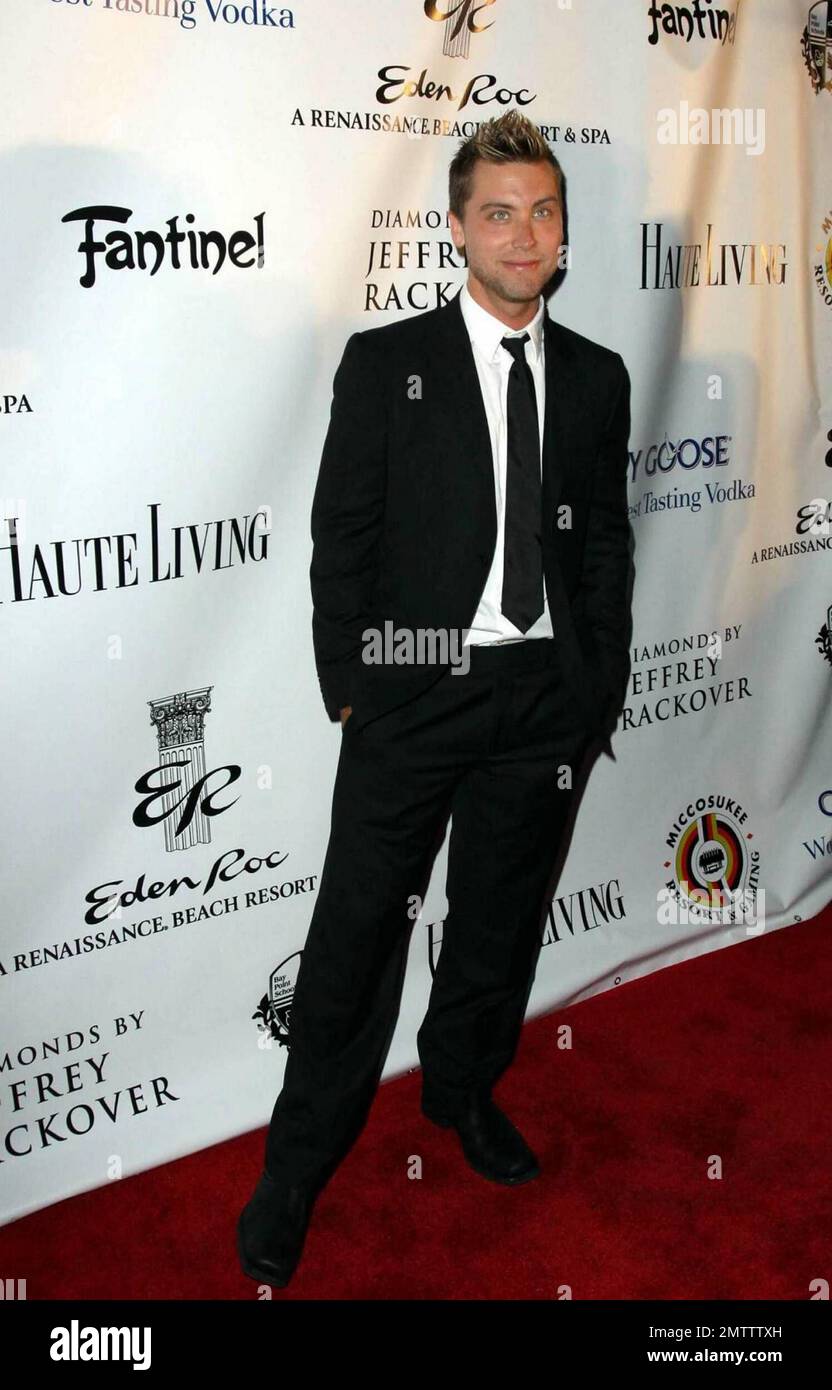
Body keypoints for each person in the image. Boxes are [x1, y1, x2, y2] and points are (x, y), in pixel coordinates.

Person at [237, 108, 634, 1289]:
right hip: (414, 688)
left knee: (502, 921)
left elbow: (602, 541)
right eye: (498, 212)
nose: (524, 234)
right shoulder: (386, 362)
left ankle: (461, 1089)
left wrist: (594, 680)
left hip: (541, 699)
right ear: (455, 227)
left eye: (544, 210)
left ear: (565, 228)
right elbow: (339, 538)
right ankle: (296, 1164)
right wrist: (357, 687)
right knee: (355, 935)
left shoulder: (600, 378)